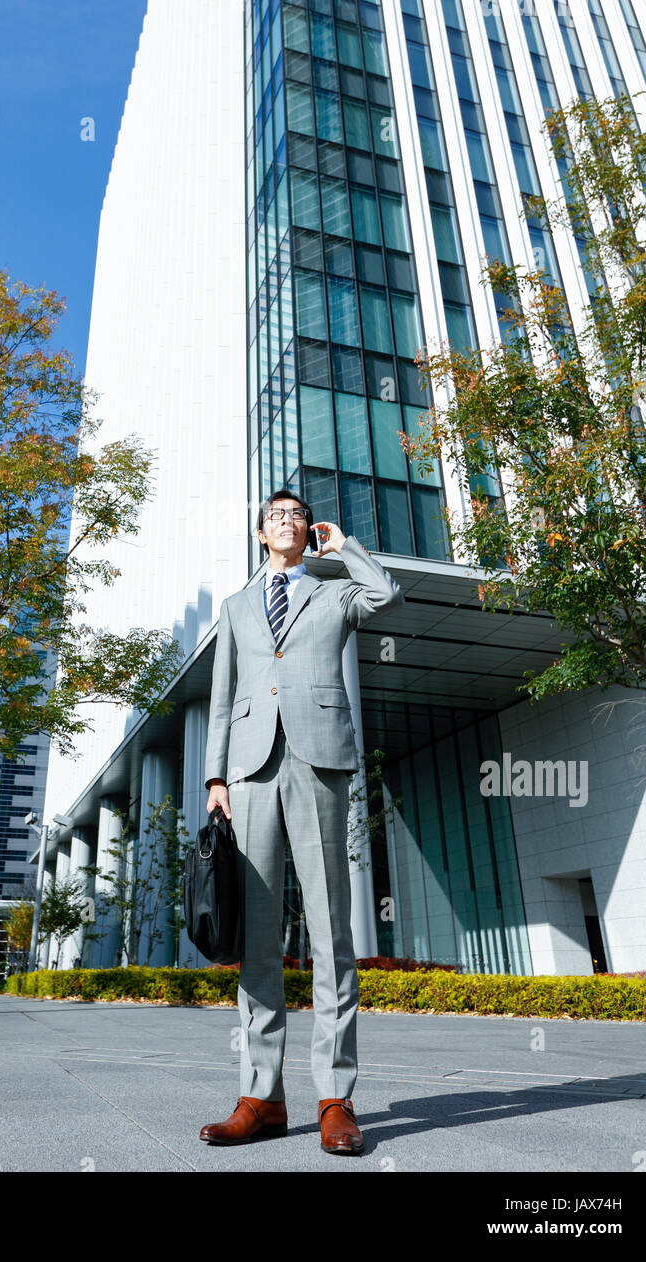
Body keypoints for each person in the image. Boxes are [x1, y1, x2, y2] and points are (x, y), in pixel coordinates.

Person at [199, 488, 404, 1154]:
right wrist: (215, 778)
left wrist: (346, 548)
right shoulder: (234, 607)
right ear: (261, 534)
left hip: (320, 765)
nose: (288, 522)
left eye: (297, 516)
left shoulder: (334, 588)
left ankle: (335, 1099)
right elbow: (223, 695)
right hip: (252, 771)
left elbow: (386, 597)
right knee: (256, 942)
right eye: (276, 517)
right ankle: (261, 1097)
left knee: (330, 935)